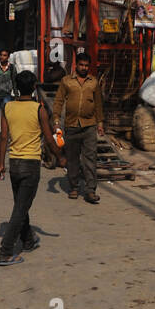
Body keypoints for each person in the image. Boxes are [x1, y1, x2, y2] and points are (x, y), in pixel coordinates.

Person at [0, 69, 64, 265]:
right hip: (31, 164)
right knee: (20, 208)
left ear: (17, 87)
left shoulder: (7, 108)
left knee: (21, 204)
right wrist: (61, 158)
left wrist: (1, 163)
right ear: (34, 87)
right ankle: (6, 251)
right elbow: (50, 139)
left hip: (14, 163)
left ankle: (28, 240)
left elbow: (3, 137)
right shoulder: (38, 109)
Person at [52, 50, 104, 203]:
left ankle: (90, 190)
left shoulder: (93, 82)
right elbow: (59, 101)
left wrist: (100, 123)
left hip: (89, 126)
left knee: (90, 159)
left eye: (86, 65)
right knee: (73, 159)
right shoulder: (66, 81)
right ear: (76, 66)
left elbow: (98, 104)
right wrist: (56, 121)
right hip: (71, 125)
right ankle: (74, 187)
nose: (83, 68)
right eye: (81, 65)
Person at [0, 48, 17, 138]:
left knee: (6, 116)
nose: (2, 57)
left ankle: (5, 132)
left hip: (7, 95)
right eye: (1, 55)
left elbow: (14, 81)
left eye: (4, 55)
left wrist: (16, 95)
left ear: (8, 57)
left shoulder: (12, 68)